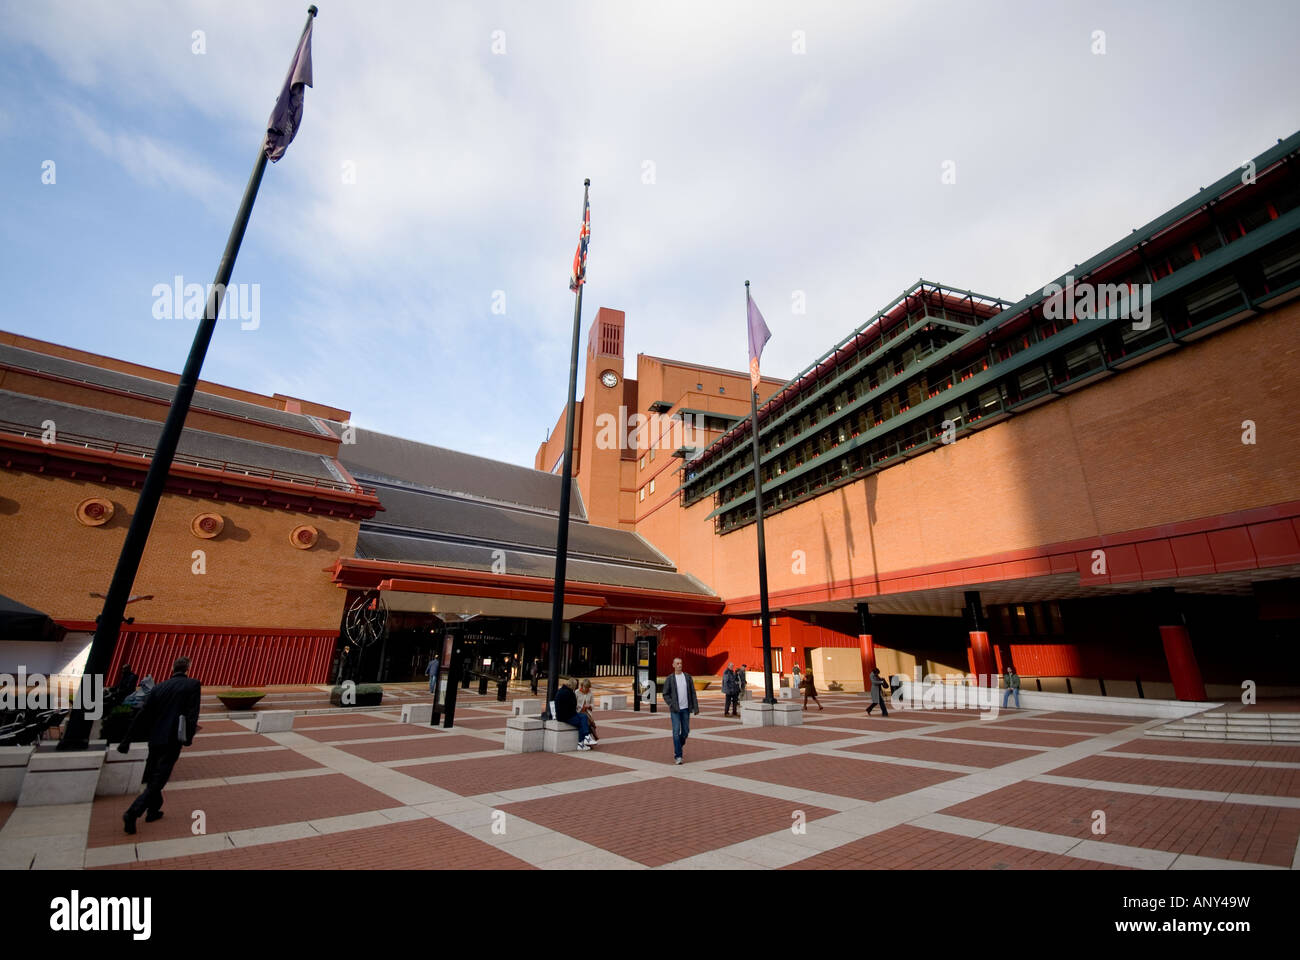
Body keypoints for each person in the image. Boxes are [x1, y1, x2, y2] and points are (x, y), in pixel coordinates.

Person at [117, 656, 201, 835]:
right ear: (188, 668)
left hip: (155, 738)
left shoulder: (159, 687)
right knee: (159, 779)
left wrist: (127, 740)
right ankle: (133, 812)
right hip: (172, 738)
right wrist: (189, 737)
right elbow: (192, 714)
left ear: (172, 667)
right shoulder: (192, 685)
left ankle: (153, 811)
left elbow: (143, 715)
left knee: (153, 774)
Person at [660, 657, 699, 764]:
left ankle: (678, 746)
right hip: (675, 710)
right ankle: (678, 756)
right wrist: (671, 704)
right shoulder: (670, 678)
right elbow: (665, 694)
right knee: (676, 732)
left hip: (686, 709)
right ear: (673, 665)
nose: (679, 665)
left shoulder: (687, 677)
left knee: (686, 731)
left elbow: (692, 693)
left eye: (681, 663)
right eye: (677, 664)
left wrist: (696, 707)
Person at [554, 679, 594, 750]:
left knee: (583, 718)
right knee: (583, 720)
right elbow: (573, 706)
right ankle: (584, 739)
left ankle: (583, 742)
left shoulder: (560, 691)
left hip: (561, 715)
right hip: (567, 716)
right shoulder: (570, 693)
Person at [575, 679, 599, 743]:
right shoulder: (577, 692)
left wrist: (589, 706)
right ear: (582, 686)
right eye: (585, 687)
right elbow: (574, 703)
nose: (586, 689)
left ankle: (587, 738)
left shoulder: (590, 693)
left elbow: (593, 704)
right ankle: (590, 736)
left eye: (588, 688)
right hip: (578, 712)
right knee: (588, 722)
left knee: (588, 720)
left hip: (587, 712)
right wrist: (580, 706)